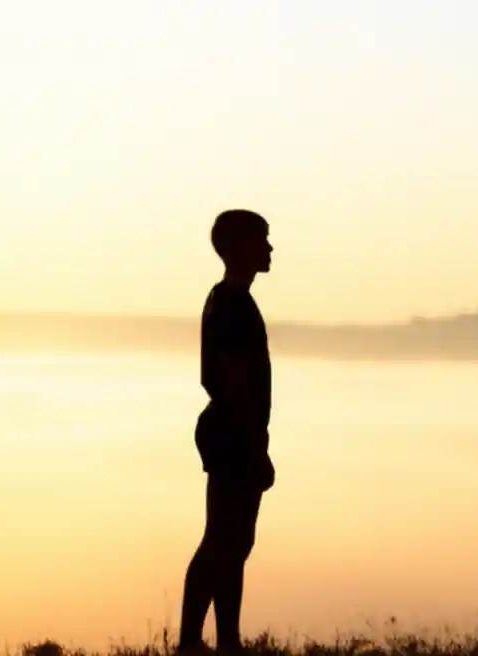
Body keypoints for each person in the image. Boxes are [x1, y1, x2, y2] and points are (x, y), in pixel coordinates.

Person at [179, 209, 275, 654]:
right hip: (232, 435)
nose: (270, 248)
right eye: (262, 240)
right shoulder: (232, 304)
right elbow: (233, 381)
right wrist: (255, 447)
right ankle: (192, 642)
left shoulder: (231, 300)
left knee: (233, 543)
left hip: (231, 432)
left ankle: (226, 641)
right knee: (223, 541)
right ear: (238, 248)